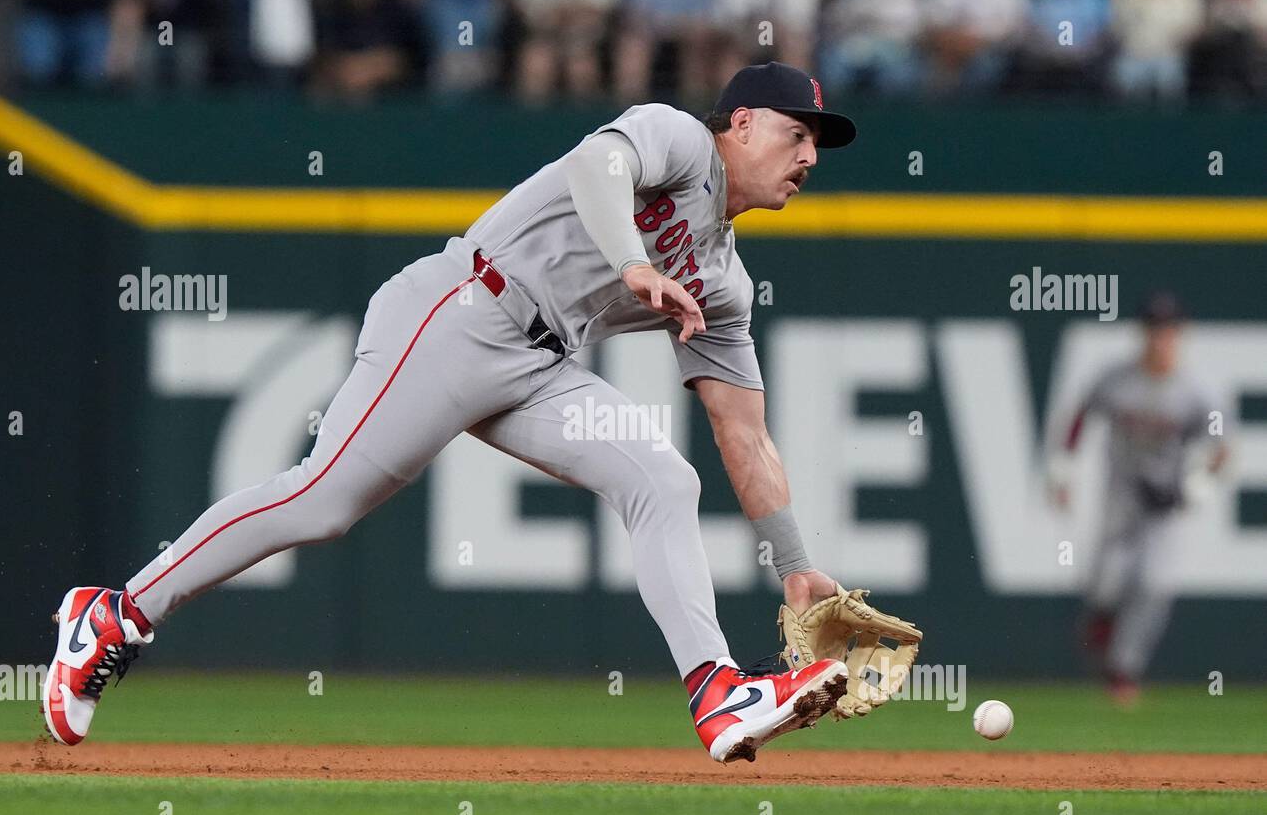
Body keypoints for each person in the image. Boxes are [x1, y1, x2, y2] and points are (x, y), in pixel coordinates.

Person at [44, 62, 880, 765]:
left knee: (663, 478)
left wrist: (796, 567)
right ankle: (115, 612)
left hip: (538, 365)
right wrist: (631, 264)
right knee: (322, 502)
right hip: (459, 309)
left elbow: (745, 430)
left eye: (818, 144)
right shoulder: (677, 137)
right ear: (738, 121)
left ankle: (719, 695)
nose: (809, 154)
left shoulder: (723, 285)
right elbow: (597, 167)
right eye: (795, 132)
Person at [1048, 293, 1230, 706]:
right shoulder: (1116, 378)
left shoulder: (1197, 391)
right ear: (1142, 334)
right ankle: (1101, 617)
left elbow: (1222, 450)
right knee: (1105, 580)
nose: (1160, 338)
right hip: (1122, 492)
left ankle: (1123, 670)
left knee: (1155, 583)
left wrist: (1195, 486)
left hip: (1166, 501)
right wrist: (1062, 470)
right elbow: (1079, 416)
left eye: (1168, 331)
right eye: (1153, 329)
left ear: (1180, 336)